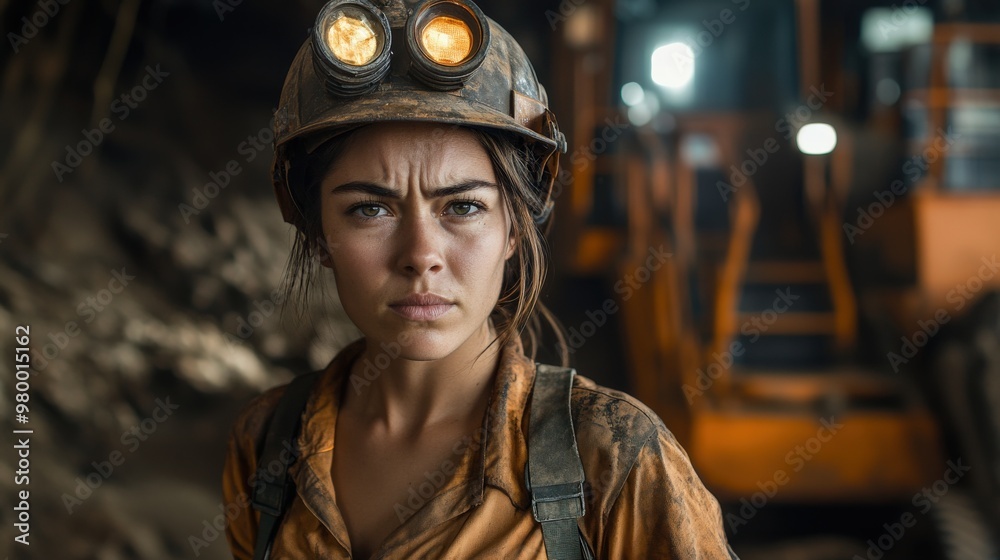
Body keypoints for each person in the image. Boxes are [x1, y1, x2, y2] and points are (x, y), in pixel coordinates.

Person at [222, 0, 737, 558]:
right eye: (370, 210)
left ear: (515, 228)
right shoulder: (269, 444)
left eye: (462, 207)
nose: (421, 255)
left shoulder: (614, 457)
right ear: (319, 235)